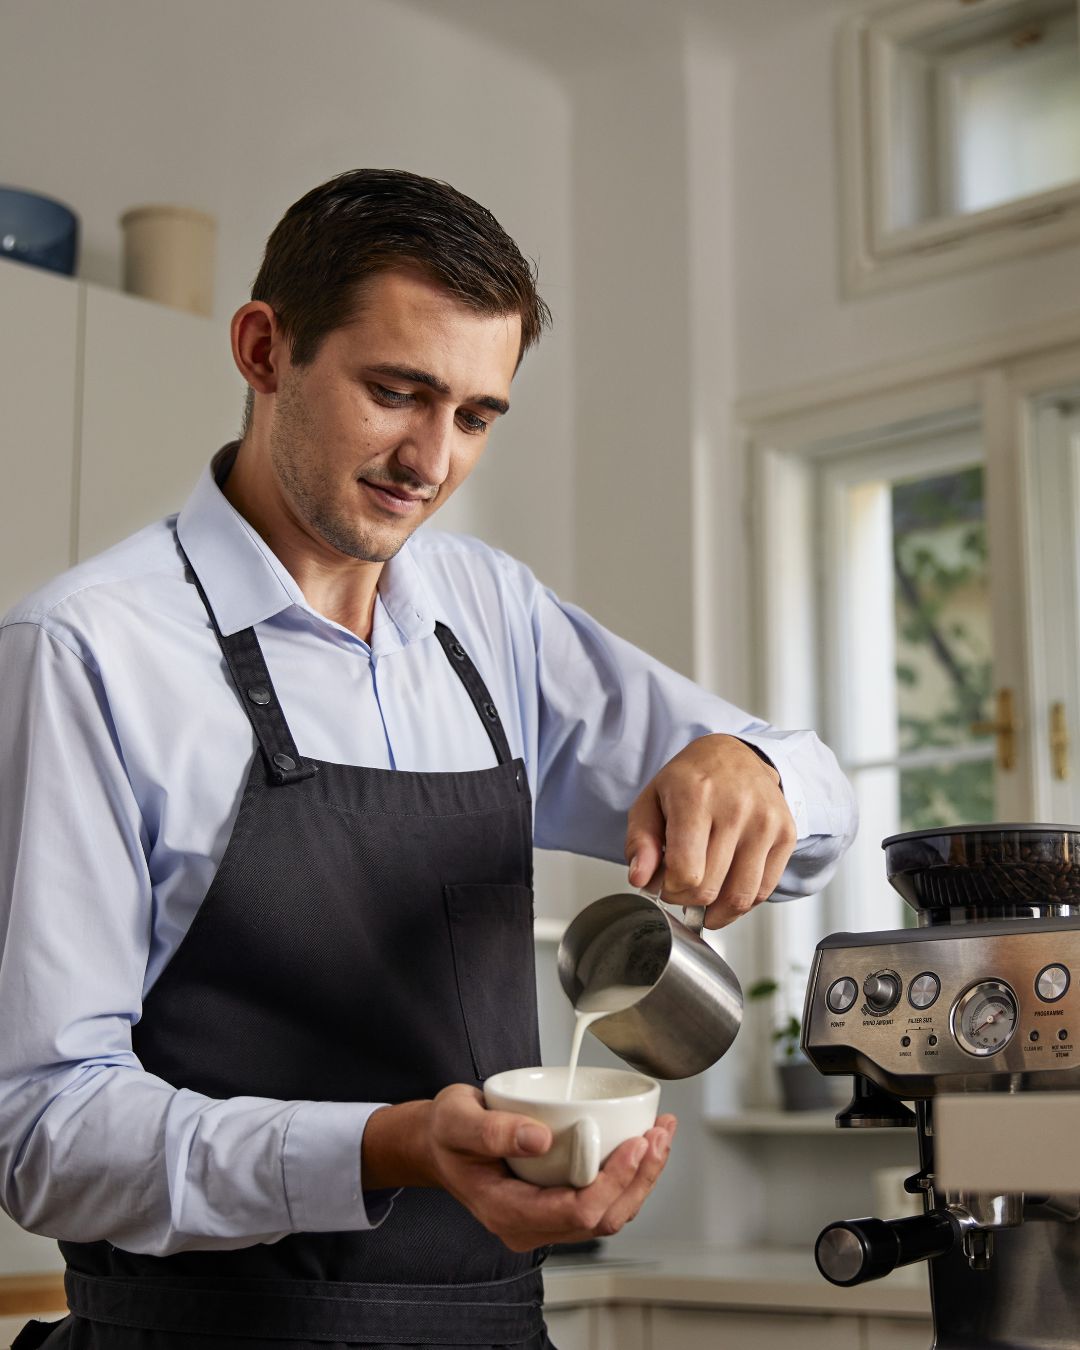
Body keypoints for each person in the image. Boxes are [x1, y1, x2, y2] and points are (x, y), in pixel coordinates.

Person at [0, 169, 856, 1350]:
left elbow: (822, 815)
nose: (431, 460)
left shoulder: (486, 614)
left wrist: (753, 774)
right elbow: (43, 1135)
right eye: (396, 393)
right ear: (264, 349)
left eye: (476, 415)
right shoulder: (89, 653)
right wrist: (388, 1147)